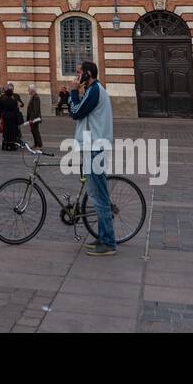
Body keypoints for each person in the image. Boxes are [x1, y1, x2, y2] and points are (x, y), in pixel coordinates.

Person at [68, 61, 115, 256]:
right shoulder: (92, 90)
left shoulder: (95, 90)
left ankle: (108, 242)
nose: (76, 76)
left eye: (78, 73)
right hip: (92, 146)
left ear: (87, 74)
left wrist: (72, 92)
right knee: (96, 195)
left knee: (99, 197)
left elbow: (76, 112)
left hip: (96, 147)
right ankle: (103, 237)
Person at [0, 85, 24, 151]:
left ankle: (5, 145)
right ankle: (12, 145)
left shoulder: (3, 100)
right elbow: (15, 109)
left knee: (6, 132)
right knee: (12, 132)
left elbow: (1, 107)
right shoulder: (14, 101)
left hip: (5, 117)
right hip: (13, 118)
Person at [24, 83, 44, 150]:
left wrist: (32, 119)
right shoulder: (33, 97)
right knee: (33, 131)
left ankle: (40, 145)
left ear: (32, 90)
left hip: (35, 118)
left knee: (36, 131)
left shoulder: (36, 97)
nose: (28, 91)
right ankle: (36, 144)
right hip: (33, 118)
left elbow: (35, 109)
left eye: (29, 90)